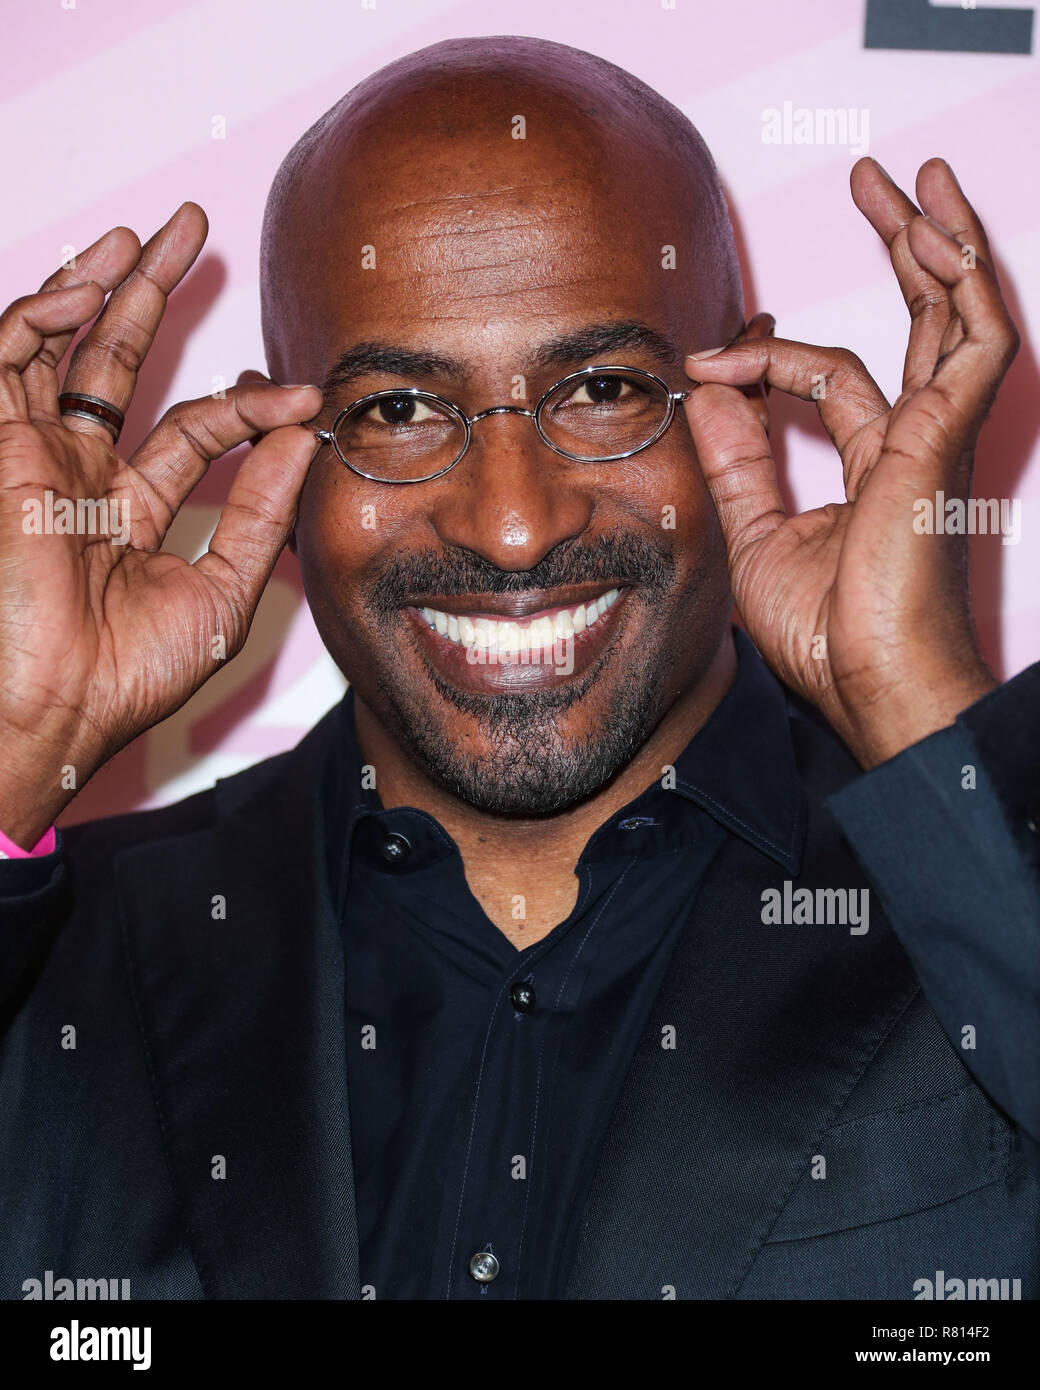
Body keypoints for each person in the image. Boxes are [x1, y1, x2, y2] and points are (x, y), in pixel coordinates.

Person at [0, 35, 1036, 1302]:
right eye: (396, 409)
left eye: (602, 388)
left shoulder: (972, 903)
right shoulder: (64, 967)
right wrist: (15, 738)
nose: (511, 523)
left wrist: (921, 706)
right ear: (274, 449)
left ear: (744, 397)